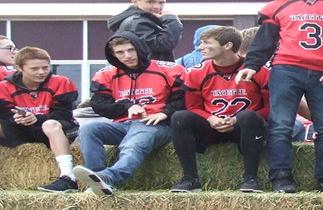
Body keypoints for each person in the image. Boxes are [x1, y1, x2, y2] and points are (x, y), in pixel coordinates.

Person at [237, 0, 323, 193]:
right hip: (287, 68)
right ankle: (281, 177)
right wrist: (252, 65)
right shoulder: (277, 5)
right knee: (280, 124)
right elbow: (265, 40)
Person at [72, 32, 185, 196]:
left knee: (132, 143)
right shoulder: (107, 74)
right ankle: (98, 179)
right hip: (122, 124)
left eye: (131, 50)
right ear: (113, 54)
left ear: (140, 48)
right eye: (120, 52)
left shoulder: (169, 69)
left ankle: (110, 177)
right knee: (89, 129)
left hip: (155, 123)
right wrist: (127, 106)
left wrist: (166, 112)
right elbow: (99, 105)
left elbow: (187, 98)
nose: (127, 56)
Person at [169, 26, 269, 193]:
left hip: (245, 128)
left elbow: (270, 107)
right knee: (179, 117)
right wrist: (211, 119)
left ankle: (251, 178)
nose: (201, 48)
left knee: (248, 116)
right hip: (212, 125)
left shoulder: (258, 70)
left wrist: (237, 119)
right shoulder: (196, 72)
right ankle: (190, 178)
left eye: (207, 43)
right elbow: (192, 107)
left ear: (227, 45)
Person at [0, 47, 80, 193]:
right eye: (34, 68)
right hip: (22, 128)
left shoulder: (61, 82)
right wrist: (17, 118)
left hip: (57, 128)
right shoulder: (4, 87)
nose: (41, 72)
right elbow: (5, 115)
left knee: (50, 125)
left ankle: (68, 177)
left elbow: (63, 115)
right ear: (19, 68)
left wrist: (36, 118)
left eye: (45, 67)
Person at [107, 0, 183, 62]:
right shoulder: (137, 22)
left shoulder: (143, 20)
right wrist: (171, 19)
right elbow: (163, 45)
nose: (156, 6)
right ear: (135, 1)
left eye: (161, 2)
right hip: (150, 75)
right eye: (150, 2)